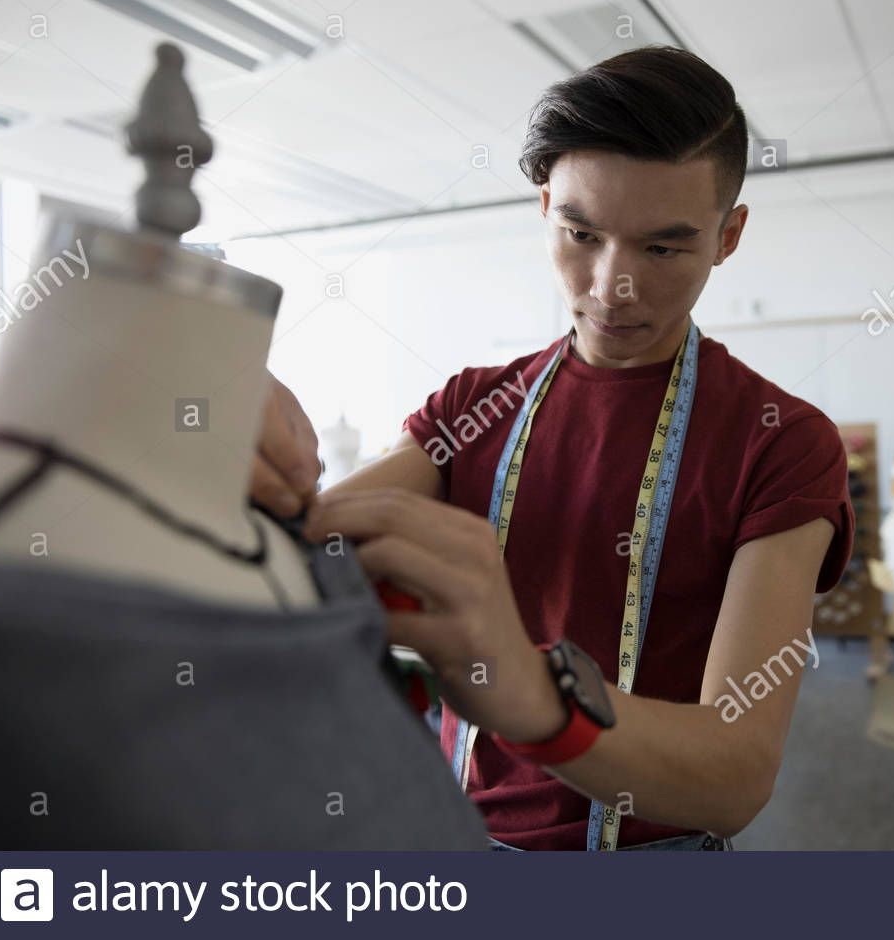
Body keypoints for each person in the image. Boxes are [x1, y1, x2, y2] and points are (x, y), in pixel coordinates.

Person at [250, 46, 854, 851]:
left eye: (663, 247)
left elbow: (735, 776)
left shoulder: (781, 443)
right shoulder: (472, 407)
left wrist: (530, 696)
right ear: (544, 209)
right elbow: (297, 550)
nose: (612, 287)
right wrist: (229, 424)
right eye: (581, 232)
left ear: (728, 235)